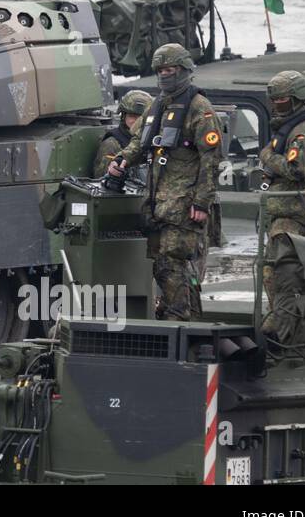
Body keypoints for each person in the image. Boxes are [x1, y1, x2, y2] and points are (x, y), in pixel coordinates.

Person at [109, 43, 221, 321]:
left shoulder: (199, 108)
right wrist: (123, 160)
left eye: (169, 70)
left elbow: (211, 159)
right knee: (165, 263)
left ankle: (177, 317)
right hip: (159, 202)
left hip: (184, 203)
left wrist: (202, 202)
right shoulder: (158, 105)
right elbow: (139, 140)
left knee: (172, 261)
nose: (164, 75)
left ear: (183, 70)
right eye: (160, 70)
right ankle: (191, 318)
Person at [257, 70, 305, 334]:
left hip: (295, 213)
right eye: (274, 100)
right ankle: (279, 323)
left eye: (283, 100)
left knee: (283, 277)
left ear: (298, 99)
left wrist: (267, 157)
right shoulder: (289, 127)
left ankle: (283, 329)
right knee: (271, 273)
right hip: (283, 211)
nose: (277, 105)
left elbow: (299, 169)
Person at [92, 89, 154, 177]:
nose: (136, 121)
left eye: (141, 117)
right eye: (132, 116)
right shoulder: (112, 144)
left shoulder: (154, 140)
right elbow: (101, 177)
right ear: (124, 117)